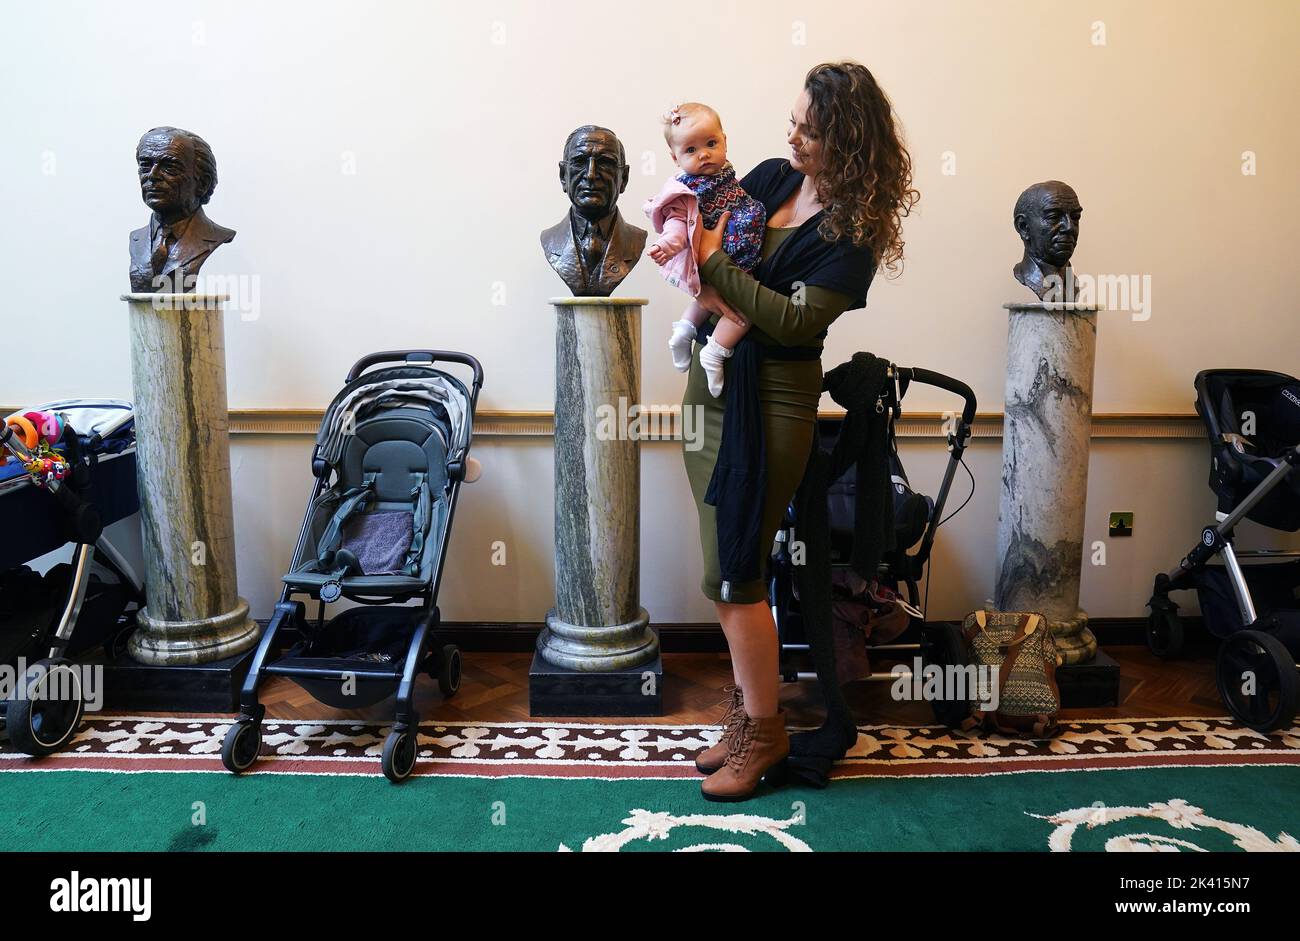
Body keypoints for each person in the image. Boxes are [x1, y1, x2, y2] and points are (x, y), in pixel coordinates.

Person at [682, 61, 919, 801]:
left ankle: (767, 732)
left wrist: (716, 262)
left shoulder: (855, 235)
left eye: (808, 128)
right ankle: (750, 710)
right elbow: (698, 238)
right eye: (793, 119)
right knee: (716, 560)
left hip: (776, 399)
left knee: (738, 567)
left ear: (843, 141)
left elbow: (789, 321)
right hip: (710, 387)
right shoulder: (771, 177)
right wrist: (705, 259)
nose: (790, 133)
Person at [642, 102, 766, 397]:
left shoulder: (724, 179)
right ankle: (716, 351)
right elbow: (675, 225)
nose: (704, 154)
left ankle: (684, 330)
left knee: (710, 299)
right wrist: (667, 246)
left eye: (711, 143)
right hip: (721, 263)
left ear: (725, 141)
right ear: (675, 158)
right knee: (747, 309)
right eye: (691, 151)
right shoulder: (684, 191)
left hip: (732, 260)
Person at [540, 125, 647, 297]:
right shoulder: (551, 240)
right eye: (580, 162)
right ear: (563, 176)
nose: (590, 174)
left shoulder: (635, 240)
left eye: (605, 163)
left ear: (624, 178)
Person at [128, 126, 235, 293]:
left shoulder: (216, 237)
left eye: (169, 167)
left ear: (202, 183)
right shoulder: (137, 239)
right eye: (145, 165)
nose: (152, 175)